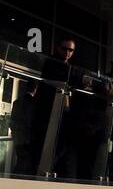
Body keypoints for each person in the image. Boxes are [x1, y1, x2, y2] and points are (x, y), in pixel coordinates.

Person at [57, 56, 113, 181]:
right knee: (83, 163)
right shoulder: (104, 80)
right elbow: (107, 92)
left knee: (92, 164)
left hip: (101, 130)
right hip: (90, 129)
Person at [12, 37, 75, 177]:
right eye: (65, 49)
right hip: (45, 118)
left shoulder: (67, 67)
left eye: (71, 50)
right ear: (58, 48)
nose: (67, 52)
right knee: (37, 158)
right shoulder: (53, 64)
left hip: (56, 116)